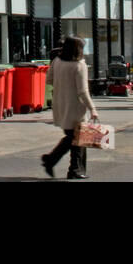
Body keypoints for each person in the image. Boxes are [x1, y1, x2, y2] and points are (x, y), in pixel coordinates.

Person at [41, 36, 98, 179]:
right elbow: (83, 91)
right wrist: (92, 108)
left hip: (60, 104)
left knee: (74, 136)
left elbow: (49, 80)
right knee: (78, 137)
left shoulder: (57, 61)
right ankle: (70, 167)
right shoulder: (79, 65)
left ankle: (72, 167)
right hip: (75, 107)